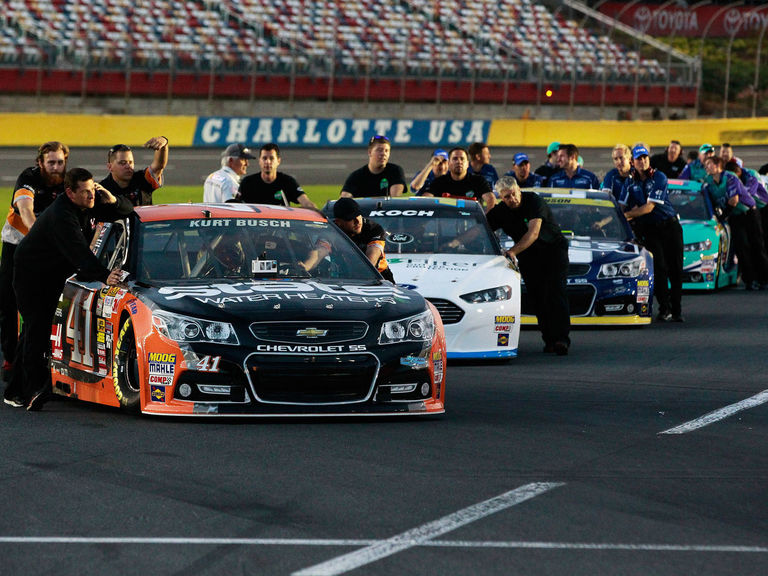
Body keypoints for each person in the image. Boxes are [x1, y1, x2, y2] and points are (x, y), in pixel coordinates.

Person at [4, 168, 133, 410]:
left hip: (55, 272)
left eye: (92, 190)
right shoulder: (61, 215)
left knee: (37, 329)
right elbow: (79, 253)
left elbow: (128, 210)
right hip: (31, 274)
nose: (91, 195)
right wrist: (105, 276)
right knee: (37, 328)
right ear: (70, 193)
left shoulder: (90, 201)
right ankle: (28, 391)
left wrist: (113, 199)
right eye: (85, 192)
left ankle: (19, 387)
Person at [450, 176, 570, 355]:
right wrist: (453, 243)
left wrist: (512, 251)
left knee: (555, 293)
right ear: (501, 197)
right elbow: (478, 230)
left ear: (519, 190)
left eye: (513, 194)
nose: (512, 199)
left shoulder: (533, 201)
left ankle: (561, 340)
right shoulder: (501, 211)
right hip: (528, 255)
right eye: (506, 197)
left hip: (553, 251)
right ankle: (549, 339)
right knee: (538, 297)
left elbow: (533, 233)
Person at [0, 141, 69, 384]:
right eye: (51, 162)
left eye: (60, 162)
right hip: (17, 244)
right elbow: (26, 211)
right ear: (40, 162)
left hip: (48, 249)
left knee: (46, 303)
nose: (56, 167)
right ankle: (10, 358)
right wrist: (40, 237)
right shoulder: (28, 179)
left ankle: (44, 356)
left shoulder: (67, 182)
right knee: (8, 301)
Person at [619, 144, 683, 322]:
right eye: (639, 158)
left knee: (675, 269)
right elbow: (620, 207)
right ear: (632, 162)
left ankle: (677, 310)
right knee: (659, 268)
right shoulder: (629, 182)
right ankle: (664, 308)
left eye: (645, 157)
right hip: (651, 229)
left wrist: (626, 216)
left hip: (670, 226)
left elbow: (648, 207)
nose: (643, 161)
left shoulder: (659, 177)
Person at [703, 156, 768, 291]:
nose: (706, 166)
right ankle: (749, 280)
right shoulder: (708, 181)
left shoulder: (730, 177)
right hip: (734, 216)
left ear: (717, 165)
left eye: (709, 164)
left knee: (757, 245)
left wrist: (723, 216)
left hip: (748, 213)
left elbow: (734, 200)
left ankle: (764, 279)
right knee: (741, 247)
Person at [302, 198, 395, 282]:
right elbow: (319, 252)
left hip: (379, 278)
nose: (357, 221)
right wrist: (306, 267)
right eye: (351, 218)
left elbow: (372, 257)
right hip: (346, 279)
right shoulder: (332, 231)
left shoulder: (373, 229)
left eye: (358, 215)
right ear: (338, 222)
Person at [237, 143, 316, 209]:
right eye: (264, 158)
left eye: (271, 158)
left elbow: (307, 203)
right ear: (259, 161)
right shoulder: (247, 183)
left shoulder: (288, 182)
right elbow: (236, 207)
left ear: (278, 161)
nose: (268, 162)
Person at [99, 136, 169, 206]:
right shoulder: (102, 190)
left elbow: (159, 166)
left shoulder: (143, 179)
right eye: (122, 163)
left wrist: (163, 144)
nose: (128, 166)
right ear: (110, 167)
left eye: (130, 162)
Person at [427, 147, 495, 211]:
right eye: (455, 159)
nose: (459, 162)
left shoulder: (478, 181)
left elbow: (491, 199)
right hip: (446, 218)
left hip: (471, 219)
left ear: (467, 164)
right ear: (448, 164)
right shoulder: (439, 182)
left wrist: (488, 216)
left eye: (462, 159)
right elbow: (426, 198)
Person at [340, 135, 405, 198]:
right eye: (379, 150)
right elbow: (344, 199)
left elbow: (395, 199)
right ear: (370, 152)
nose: (383, 153)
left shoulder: (395, 171)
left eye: (386, 151)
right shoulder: (356, 176)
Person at [726, 159, 768, 255]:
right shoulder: (732, 178)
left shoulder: (751, 174)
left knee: (762, 239)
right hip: (750, 210)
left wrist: (735, 193)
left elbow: (749, 192)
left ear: (739, 171)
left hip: (763, 207)